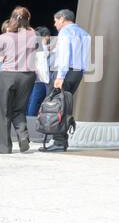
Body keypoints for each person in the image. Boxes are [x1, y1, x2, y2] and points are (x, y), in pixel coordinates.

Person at [44, 9, 90, 153]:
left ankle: (58, 141)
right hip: (77, 73)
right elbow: (86, 58)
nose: (55, 23)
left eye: (56, 20)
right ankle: (61, 141)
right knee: (66, 105)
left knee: (58, 105)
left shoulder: (65, 32)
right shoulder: (85, 34)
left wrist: (60, 76)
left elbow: (64, 56)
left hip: (65, 71)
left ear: (62, 19)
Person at [0, 8, 39, 153]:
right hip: (27, 76)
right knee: (19, 109)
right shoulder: (33, 35)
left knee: (3, 112)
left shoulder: (4, 37)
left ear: (12, 19)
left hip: (8, 75)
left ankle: (4, 147)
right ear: (28, 19)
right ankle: (23, 137)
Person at [27, 27, 52, 117]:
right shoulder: (41, 47)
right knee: (36, 101)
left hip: (33, 78)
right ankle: (31, 119)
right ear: (45, 36)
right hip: (40, 78)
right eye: (48, 36)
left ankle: (28, 118)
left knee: (31, 100)